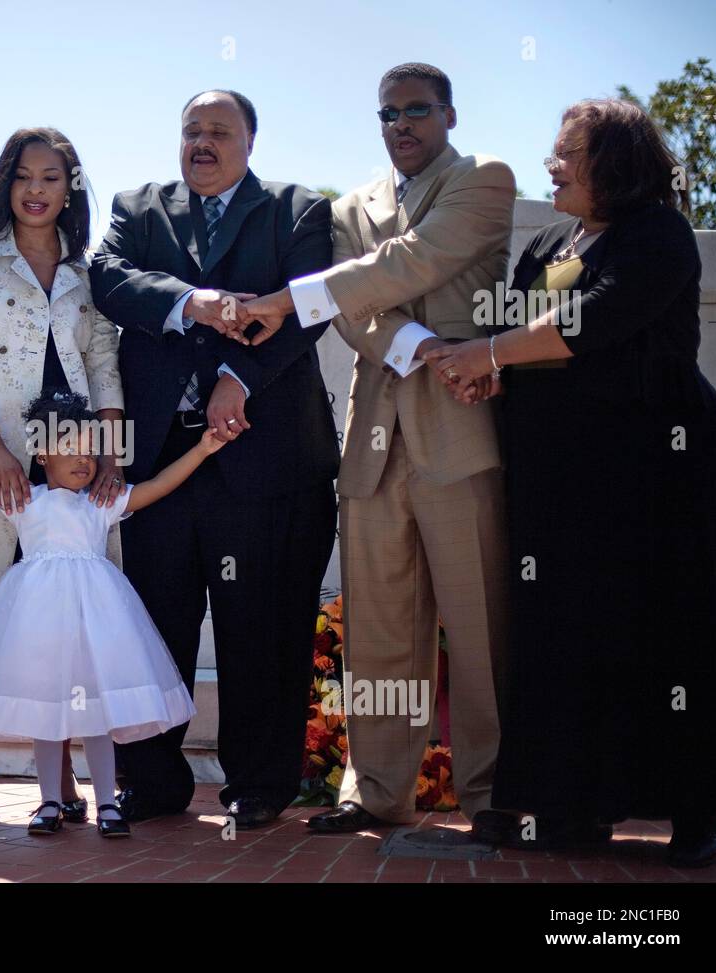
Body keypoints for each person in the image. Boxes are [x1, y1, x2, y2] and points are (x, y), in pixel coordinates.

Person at [425, 99, 716, 867]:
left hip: (653, 480)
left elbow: (593, 320)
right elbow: (532, 335)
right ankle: (571, 809)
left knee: (666, 643)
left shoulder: (657, 233)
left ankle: (693, 812)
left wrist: (488, 355)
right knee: (566, 641)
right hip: (561, 486)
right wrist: (488, 374)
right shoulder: (557, 242)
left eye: (569, 153)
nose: (552, 164)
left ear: (616, 163)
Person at [235, 63, 514, 836]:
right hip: (372, 444)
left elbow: (414, 262)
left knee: (482, 625)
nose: (400, 125)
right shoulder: (351, 206)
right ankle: (379, 790)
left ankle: (495, 795)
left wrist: (302, 296)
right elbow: (353, 313)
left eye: (416, 110)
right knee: (380, 634)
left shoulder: (485, 181)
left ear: (449, 115)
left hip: (462, 437)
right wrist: (423, 344)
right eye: (387, 114)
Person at [88, 89, 339, 828]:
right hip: (162, 460)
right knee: (155, 623)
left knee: (263, 626)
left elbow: (309, 306)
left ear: (249, 143)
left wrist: (240, 379)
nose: (202, 142)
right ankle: (154, 781)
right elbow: (109, 280)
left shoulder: (298, 210)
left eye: (219, 131)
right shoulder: (139, 208)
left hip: (264, 461)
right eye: (191, 130)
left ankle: (260, 782)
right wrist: (194, 303)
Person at [0, 127, 124, 823]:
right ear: (6, 183)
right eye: (23, 176)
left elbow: (102, 358)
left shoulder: (86, 268)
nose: (35, 190)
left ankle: (62, 781)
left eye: (50, 177)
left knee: (67, 621)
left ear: (69, 187)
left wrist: (111, 447)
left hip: (71, 465)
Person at [0, 391, 203, 836]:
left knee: (99, 713)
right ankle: (49, 801)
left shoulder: (100, 504)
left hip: (97, 621)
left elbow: (158, 487)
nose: (84, 460)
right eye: (71, 450)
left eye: (90, 450)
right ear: (43, 453)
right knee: (48, 712)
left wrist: (204, 448)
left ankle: (107, 802)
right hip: (38, 621)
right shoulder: (26, 499)